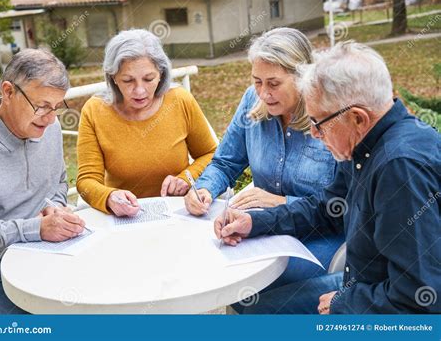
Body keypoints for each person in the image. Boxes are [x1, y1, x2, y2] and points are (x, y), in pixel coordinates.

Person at [214, 41, 441, 314]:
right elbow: (327, 208)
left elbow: (420, 296)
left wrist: (345, 303)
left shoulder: (400, 168)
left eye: (318, 123)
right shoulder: (365, 144)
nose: (314, 134)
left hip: (381, 303)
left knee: (256, 315)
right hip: (366, 284)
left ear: (357, 118)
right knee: (250, 305)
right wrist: (255, 222)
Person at [184, 28, 343, 298]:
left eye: (273, 83)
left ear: (302, 77)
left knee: (252, 287)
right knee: (217, 266)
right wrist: (204, 190)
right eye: (257, 81)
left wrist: (281, 202)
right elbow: (225, 162)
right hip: (264, 231)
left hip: (320, 236)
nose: (263, 93)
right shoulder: (252, 101)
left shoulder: (329, 116)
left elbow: (345, 205)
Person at [0, 49, 86, 314]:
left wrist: (54, 207)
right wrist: (36, 229)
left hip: (42, 253)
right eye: (42, 106)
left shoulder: (50, 128)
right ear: (8, 92)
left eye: (56, 107)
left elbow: (57, 182)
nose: (50, 118)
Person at [77, 29, 217, 217]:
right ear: (113, 78)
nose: (140, 90)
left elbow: (210, 153)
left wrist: (186, 178)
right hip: (125, 219)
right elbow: (87, 180)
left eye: (149, 79)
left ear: (161, 73)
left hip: (179, 213)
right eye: (128, 80)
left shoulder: (180, 100)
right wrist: (109, 197)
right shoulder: (94, 111)